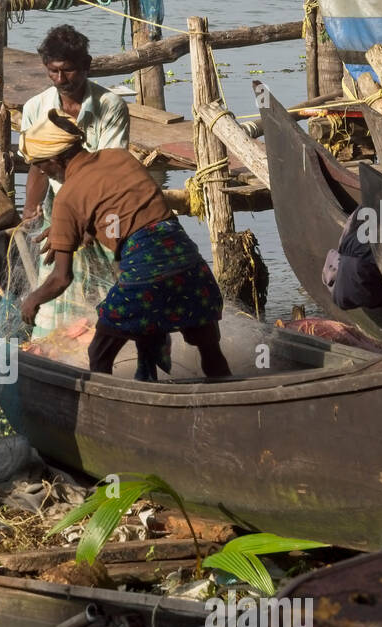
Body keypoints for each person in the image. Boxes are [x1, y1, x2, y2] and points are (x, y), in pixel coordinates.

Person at [18, 111, 232, 381]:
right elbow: (123, 213)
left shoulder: (66, 198)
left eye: (40, 164)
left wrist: (32, 300)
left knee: (99, 353)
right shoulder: (119, 157)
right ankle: (226, 396)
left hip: (146, 276)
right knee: (210, 351)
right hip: (190, 266)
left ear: (55, 159)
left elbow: (62, 278)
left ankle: (108, 408)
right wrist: (80, 230)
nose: (40, 171)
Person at [20, 25, 129, 337]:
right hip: (60, 204)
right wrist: (31, 210)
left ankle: (110, 345)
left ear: (86, 66)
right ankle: (58, 348)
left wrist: (79, 223)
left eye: (68, 71)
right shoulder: (35, 108)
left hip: (106, 205)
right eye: (52, 71)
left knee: (108, 285)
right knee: (58, 279)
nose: (60, 80)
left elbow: (109, 172)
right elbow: (39, 166)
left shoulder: (110, 107)